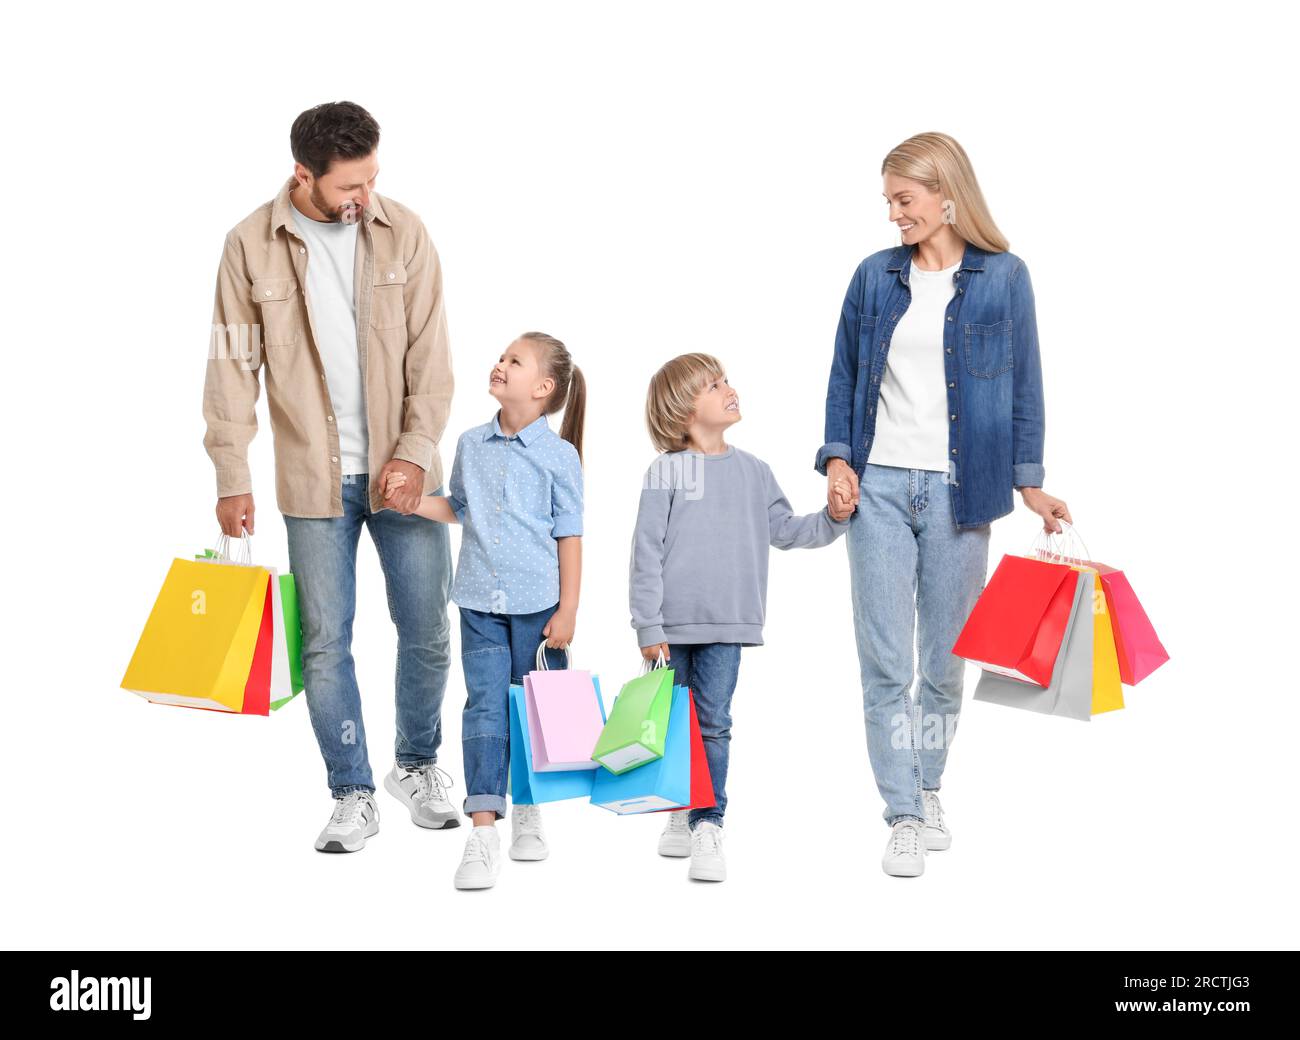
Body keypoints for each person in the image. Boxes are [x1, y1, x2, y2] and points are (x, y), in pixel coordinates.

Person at [203, 101, 458, 853]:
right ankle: (350, 789)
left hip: (401, 475)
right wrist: (230, 472)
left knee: (428, 630)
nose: (364, 197)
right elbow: (231, 364)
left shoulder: (404, 234)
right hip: (312, 481)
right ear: (302, 175)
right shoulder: (249, 246)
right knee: (324, 643)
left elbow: (431, 361)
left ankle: (415, 766)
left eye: (372, 178)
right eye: (350, 185)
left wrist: (412, 454)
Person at [816, 132, 1072, 877]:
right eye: (889, 201)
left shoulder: (1004, 278)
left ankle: (929, 785)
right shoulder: (873, 278)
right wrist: (837, 459)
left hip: (967, 492)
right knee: (885, 661)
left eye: (906, 200)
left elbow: (1025, 387)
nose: (894, 214)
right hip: (880, 488)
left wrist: (1030, 483)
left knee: (945, 661)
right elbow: (843, 376)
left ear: (948, 195)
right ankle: (900, 810)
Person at [629, 353, 851, 882]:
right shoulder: (666, 471)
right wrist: (647, 625)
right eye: (713, 385)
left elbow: (789, 531)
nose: (729, 389)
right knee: (669, 726)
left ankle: (708, 821)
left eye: (725, 379)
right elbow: (645, 551)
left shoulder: (754, 471)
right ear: (684, 408)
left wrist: (835, 518)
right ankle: (677, 811)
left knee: (714, 724)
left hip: (729, 625)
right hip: (670, 629)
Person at [386, 331, 585, 890]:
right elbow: (459, 508)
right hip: (478, 604)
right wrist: (414, 504)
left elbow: (569, 536)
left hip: (540, 611)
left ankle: (528, 808)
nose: (500, 364)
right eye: (501, 356)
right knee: (484, 710)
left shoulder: (559, 456)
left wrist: (568, 610)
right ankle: (482, 829)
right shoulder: (471, 444)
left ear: (543, 388)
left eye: (514, 361)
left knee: (535, 712)